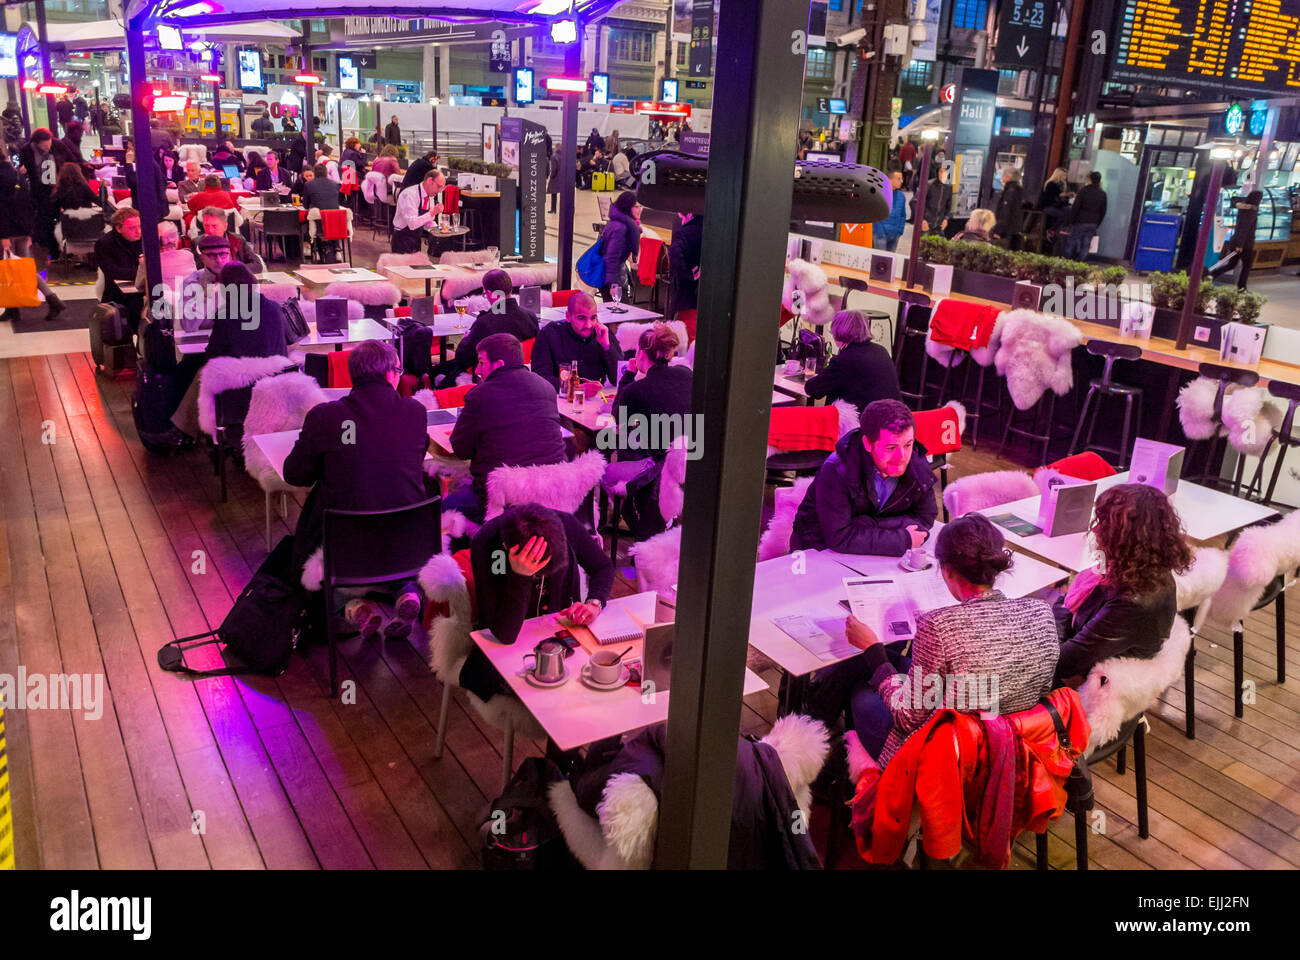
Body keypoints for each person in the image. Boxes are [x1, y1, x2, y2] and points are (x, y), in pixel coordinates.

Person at [829, 514, 1060, 764]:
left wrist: (873, 650)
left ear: (947, 570)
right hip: (1012, 740)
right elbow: (1037, 689)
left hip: (945, 758)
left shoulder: (938, 626)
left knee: (862, 689)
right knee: (892, 662)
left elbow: (907, 718)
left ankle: (846, 766)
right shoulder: (1041, 612)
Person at [283, 340, 431, 597]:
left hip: (344, 543)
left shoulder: (324, 417)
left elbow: (295, 474)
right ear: (389, 374)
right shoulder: (415, 411)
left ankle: (349, 606)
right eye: (399, 370)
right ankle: (404, 590)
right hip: (406, 537)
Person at [456, 503, 615, 704]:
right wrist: (520, 576)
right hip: (508, 649)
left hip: (560, 641)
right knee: (572, 703)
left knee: (603, 692)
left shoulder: (565, 524)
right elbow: (503, 633)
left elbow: (602, 567)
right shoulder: (488, 545)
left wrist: (594, 603)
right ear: (508, 550)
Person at [1054, 484, 1190, 687]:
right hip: (1083, 652)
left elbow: (1065, 663)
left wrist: (1046, 628)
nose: (1097, 530)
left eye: (1105, 524)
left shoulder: (1132, 602)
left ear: (1124, 536)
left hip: (1088, 686)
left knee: (994, 672)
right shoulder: (1140, 569)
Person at [444, 333, 568, 525]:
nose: (477, 370)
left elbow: (461, 450)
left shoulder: (480, 396)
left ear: (499, 364)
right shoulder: (547, 387)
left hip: (501, 503)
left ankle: (471, 552)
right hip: (553, 496)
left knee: (446, 507)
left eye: (482, 363)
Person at [791, 398, 937, 556]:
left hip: (874, 555)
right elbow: (839, 538)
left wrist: (865, 526)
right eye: (891, 447)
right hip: (818, 551)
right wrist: (902, 539)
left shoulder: (917, 463)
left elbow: (925, 519)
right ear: (868, 444)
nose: (901, 457)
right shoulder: (836, 470)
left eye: (908, 444)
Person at [609, 323, 692, 539]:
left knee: (612, 457)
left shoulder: (636, 391)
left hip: (655, 473)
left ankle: (635, 533)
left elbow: (618, 419)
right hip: (693, 460)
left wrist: (628, 375)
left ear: (641, 353)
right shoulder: (686, 374)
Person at [444, 269, 540, 382]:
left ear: (490, 294)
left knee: (440, 372)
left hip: (487, 378)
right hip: (522, 375)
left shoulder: (484, 323)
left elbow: (462, 359)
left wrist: (465, 339)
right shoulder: (531, 317)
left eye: (485, 294)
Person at [0, 155, 64, 320]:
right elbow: (27, 203)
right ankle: (15, 307)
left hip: (7, 231)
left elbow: (2, 208)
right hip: (22, 229)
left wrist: (4, 235)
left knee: (12, 269)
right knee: (24, 269)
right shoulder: (16, 174)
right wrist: (29, 231)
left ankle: (50, 300)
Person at [804, 311, 902, 411]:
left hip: (868, 422)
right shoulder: (881, 350)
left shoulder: (844, 360)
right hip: (895, 417)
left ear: (838, 332)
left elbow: (813, 389)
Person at [530, 291, 621, 390]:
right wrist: (576, 388)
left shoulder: (602, 333)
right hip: (561, 399)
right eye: (581, 318)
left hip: (597, 397)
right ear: (568, 316)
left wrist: (606, 347)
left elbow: (618, 379)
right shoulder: (549, 334)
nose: (588, 325)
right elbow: (540, 379)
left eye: (593, 318)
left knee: (624, 406)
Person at [203, 261, 288, 360]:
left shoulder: (226, 317)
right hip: (277, 371)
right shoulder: (275, 308)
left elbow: (212, 354)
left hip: (241, 373)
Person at [176, 234, 234, 332]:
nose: (219, 260)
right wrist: (206, 297)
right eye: (212, 255)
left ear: (230, 255)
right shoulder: (191, 283)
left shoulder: (241, 279)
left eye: (223, 254)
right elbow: (188, 326)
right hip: (203, 341)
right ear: (202, 258)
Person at [93, 207, 143, 314]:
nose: (138, 232)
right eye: (132, 228)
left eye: (139, 226)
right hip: (117, 293)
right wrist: (143, 273)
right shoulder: (104, 244)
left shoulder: (145, 241)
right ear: (119, 228)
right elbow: (113, 272)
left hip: (143, 286)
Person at [133, 220, 196, 298]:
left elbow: (139, 286)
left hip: (162, 306)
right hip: (190, 303)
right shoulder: (188, 255)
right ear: (177, 239)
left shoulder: (148, 261)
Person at [194, 206, 264, 273]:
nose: (210, 230)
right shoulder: (197, 243)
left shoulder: (238, 240)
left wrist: (232, 270)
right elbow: (197, 270)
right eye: (206, 225)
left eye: (214, 226)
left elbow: (257, 265)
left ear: (225, 226)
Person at [600, 190, 642, 301]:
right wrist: (613, 284)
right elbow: (611, 257)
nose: (640, 210)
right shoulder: (620, 228)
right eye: (636, 207)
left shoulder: (621, 223)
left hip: (612, 275)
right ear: (627, 207)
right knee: (620, 313)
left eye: (641, 206)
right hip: (612, 278)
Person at [390, 169, 445, 254]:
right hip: (402, 240)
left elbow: (427, 222)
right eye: (439, 186)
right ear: (430, 180)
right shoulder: (410, 194)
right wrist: (433, 212)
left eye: (442, 188)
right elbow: (412, 224)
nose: (440, 191)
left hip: (416, 240)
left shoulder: (430, 196)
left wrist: (438, 229)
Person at [667, 211, 703, 325]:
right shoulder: (714, 229)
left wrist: (687, 274)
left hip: (688, 296)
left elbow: (674, 253)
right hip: (710, 297)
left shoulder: (684, 233)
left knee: (687, 335)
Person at [1063, 170, 1107, 262]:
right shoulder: (1102, 194)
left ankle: (1067, 264)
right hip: (1093, 223)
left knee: (1071, 243)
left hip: (1080, 221)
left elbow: (1076, 207)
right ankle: (1078, 265)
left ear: (1090, 179)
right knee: (1086, 245)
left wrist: (1070, 221)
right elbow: (1103, 211)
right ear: (1099, 180)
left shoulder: (1084, 191)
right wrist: (1097, 223)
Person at [1224, 189, 1262, 290]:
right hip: (1245, 244)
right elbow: (1244, 228)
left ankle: (1211, 275)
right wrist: (1240, 245)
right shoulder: (1251, 211)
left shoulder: (1245, 207)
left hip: (1238, 241)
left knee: (1232, 264)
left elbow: (1235, 202)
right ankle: (1242, 287)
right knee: (1246, 266)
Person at [992, 168, 1025, 250]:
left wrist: (997, 229)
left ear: (1008, 177)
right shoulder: (1019, 190)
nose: (1002, 177)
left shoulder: (1010, 192)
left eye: (1003, 175)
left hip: (1007, 231)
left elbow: (1005, 213)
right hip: (1015, 229)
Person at [874, 169, 906, 252]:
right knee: (879, 261)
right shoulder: (879, 194)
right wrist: (880, 233)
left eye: (901, 178)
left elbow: (903, 215)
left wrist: (899, 232)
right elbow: (874, 214)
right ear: (889, 180)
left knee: (891, 262)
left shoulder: (901, 196)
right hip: (881, 235)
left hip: (894, 236)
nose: (902, 181)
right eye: (899, 179)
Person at [921, 163, 952, 237]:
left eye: (944, 172)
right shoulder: (929, 185)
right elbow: (916, 203)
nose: (942, 174)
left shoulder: (949, 187)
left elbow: (949, 206)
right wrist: (922, 220)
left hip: (939, 227)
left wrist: (946, 219)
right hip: (926, 225)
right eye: (940, 172)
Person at [547, 145, 561, 214]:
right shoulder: (563, 156)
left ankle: (553, 209)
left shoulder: (553, 156)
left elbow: (554, 168)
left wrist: (551, 176)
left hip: (555, 177)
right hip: (562, 177)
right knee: (562, 194)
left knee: (554, 194)